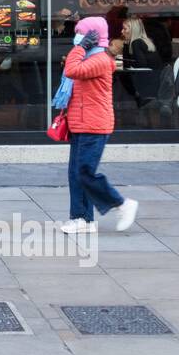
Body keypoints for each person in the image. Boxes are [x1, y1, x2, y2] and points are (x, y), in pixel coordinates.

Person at [59, 16, 139, 234]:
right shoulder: (89, 58)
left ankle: (121, 204)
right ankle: (82, 219)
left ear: (92, 37)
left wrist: (79, 49)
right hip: (81, 123)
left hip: (93, 125)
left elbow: (71, 71)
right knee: (76, 173)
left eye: (81, 33)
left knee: (85, 172)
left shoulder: (100, 61)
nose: (77, 37)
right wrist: (81, 50)